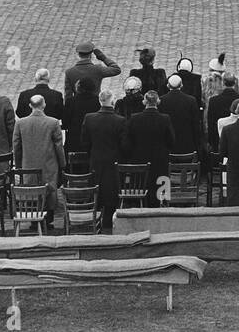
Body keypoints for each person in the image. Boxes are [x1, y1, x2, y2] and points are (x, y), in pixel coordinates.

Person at [12, 95, 65, 229]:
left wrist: (18, 164)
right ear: (44, 105)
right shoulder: (53, 122)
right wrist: (62, 163)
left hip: (28, 163)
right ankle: (48, 219)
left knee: (31, 188)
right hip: (48, 162)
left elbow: (16, 145)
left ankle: (34, 220)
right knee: (49, 188)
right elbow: (59, 145)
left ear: (30, 106)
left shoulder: (20, 123)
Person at [79, 89, 125, 230]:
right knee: (111, 192)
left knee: (96, 191)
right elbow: (124, 145)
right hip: (113, 161)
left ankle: (96, 220)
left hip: (96, 160)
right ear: (112, 101)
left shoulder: (89, 118)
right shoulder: (120, 120)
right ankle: (108, 222)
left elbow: (84, 142)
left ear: (100, 101)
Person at [126, 91, 176, 207]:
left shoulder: (134, 118)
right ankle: (161, 206)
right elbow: (172, 141)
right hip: (160, 161)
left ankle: (140, 205)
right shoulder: (165, 119)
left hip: (139, 160)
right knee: (160, 191)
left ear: (144, 102)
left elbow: (127, 142)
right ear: (158, 102)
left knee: (141, 187)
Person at [159, 75, 203, 159]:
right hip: (187, 143)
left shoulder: (161, 100)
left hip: (169, 145)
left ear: (168, 86)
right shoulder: (191, 100)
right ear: (181, 85)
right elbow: (196, 124)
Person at [62, 79, 100, 155]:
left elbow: (65, 121)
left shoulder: (71, 101)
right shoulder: (97, 100)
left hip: (74, 138)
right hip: (91, 138)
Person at [206, 72, 239, 149]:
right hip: (238, 138)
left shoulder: (214, 100)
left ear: (223, 83)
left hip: (219, 138)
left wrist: (211, 141)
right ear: (235, 82)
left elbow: (210, 122)